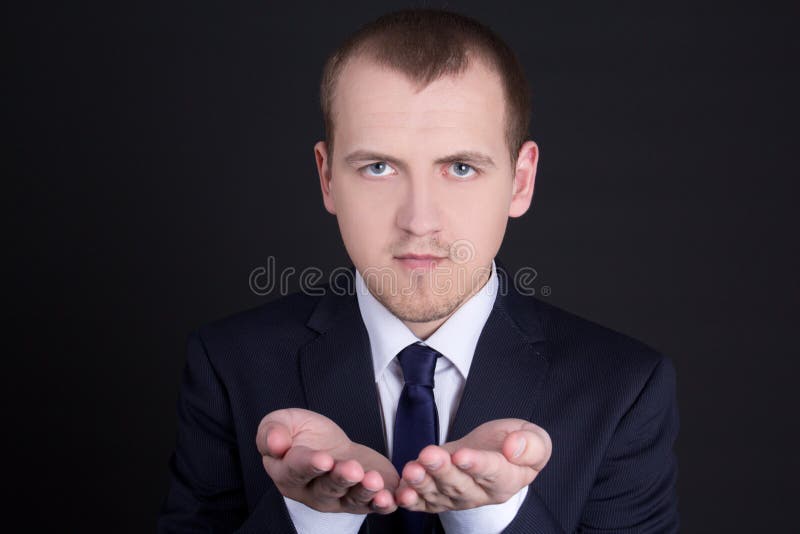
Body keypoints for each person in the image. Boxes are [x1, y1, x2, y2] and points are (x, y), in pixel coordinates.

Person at [158, 8, 679, 534]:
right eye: (378, 167)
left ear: (521, 182)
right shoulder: (228, 367)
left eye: (460, 168)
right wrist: (308, 516)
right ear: (327, 178)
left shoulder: (623, 389)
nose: (419, 221)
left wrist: (492, 516)